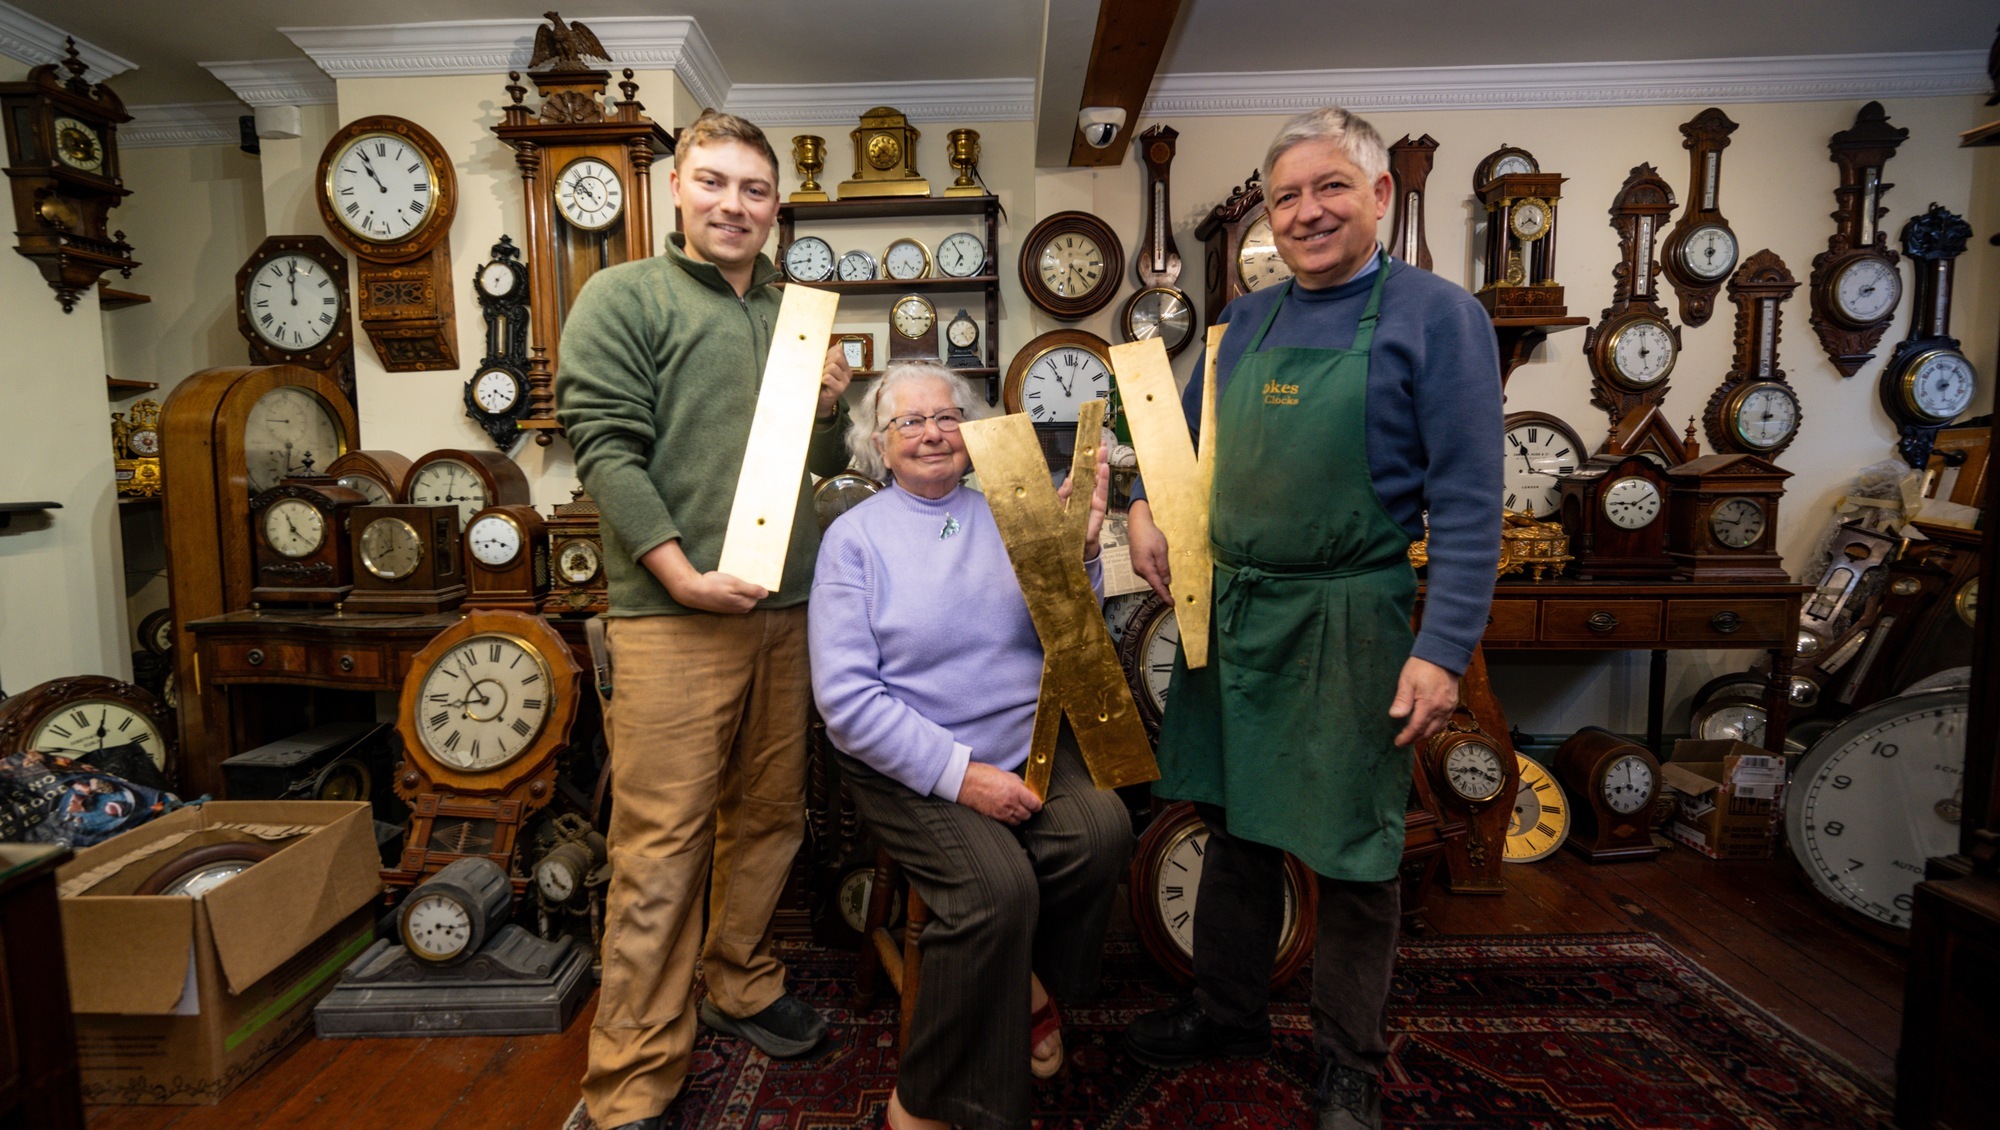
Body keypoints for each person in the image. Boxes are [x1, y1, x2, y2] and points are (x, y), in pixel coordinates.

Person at [1121, 107, 1503, 1130]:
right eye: (1285, 195)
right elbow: (1179, 437)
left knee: (1353, 846)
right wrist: (1146, 505)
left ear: (1377, 195)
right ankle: (1226, 1010)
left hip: (1350, 616)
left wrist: (1440, 649)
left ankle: (1347, 1058)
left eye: (1329, 186)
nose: (1306, 210)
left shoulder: (1436, 315)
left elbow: (1469, 503)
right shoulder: (1245, 320)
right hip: (1236, 607)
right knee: (1231, 823)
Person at [556, 109, 854, 1130]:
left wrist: (829, 406)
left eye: (755, 189)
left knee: (769, 811)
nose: (735, 204)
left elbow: (810, 466)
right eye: (715, 182)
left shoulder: (795, 311)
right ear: (675, 189)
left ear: (776, 207)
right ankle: (632, 1073)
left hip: (787, 608)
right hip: (673, 615)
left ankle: (740, 977)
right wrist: (678, 574)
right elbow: (603, 445)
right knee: (661, 840)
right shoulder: (621, 296)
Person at [810, 363, 1133, 1130]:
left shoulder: (1008, 513)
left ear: (973, 432)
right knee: (997, 892)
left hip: (1028, 744)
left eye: (947, 417)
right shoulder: (854, 539)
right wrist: (965, 778)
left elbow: (1069, 633)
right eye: (909, 423)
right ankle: (929, 1100)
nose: (931, 433)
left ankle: (1029, 980)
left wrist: (1081, 551)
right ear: (880, 447)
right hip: (913, 763)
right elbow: (847, 703)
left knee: (1104, 832)